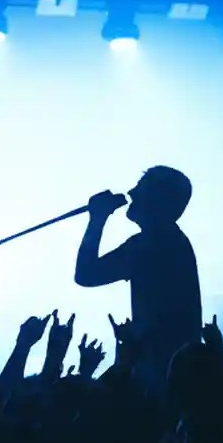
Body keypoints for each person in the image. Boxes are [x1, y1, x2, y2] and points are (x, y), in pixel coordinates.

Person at [75, 166, 202, 388]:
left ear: (159, 202)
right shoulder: (170, 241)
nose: (131, 192)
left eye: (141, 188)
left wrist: (97, 219)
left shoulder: (152, 244)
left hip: (156, 378)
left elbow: (86, 274)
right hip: (172, 375)